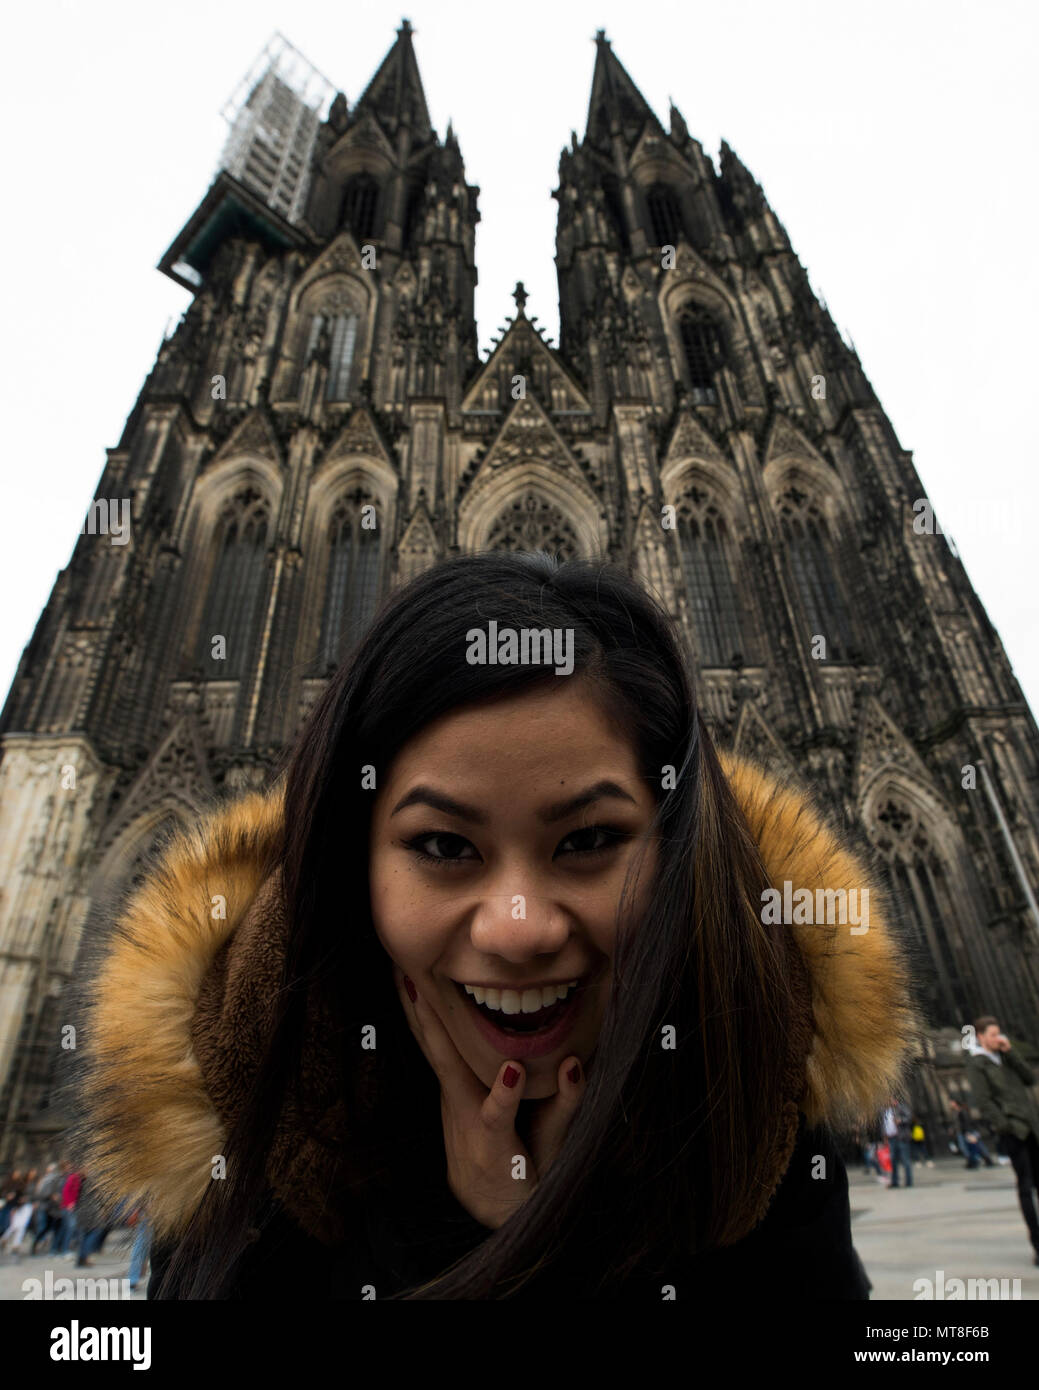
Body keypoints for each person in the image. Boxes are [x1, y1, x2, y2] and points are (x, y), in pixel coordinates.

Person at [74, 553, 916, 1299]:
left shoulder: (753, 1107)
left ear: (679, 847)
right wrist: (471, 1246)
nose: (519, 929)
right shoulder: (249, 1126)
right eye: (442, 845)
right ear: (348, 858)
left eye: (588, 840)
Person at [966, 1016, 1039, 1265]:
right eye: (993, 1034)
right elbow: (984, 1101)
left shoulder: (1006, 1057)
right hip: (1013, 1131)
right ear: (981, 1036)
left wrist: (1011, 1053)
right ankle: (1038, 1244)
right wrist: (1004, 1126)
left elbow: (1030, 1079)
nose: (999, 1038)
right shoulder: (977, 1064)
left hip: (1031, 1127)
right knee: (1026, 1185)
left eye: (1000, 1033)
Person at [949, 1098, 994, 1169]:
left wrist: (968, 1132)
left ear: (956, 1103)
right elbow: (957, 1123)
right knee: (965, 1147)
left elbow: (966, 1122)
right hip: (960, 1132)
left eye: (951, 1102)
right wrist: (953, 1129)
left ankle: (986, 1160)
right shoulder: (955, 1112)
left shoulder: (963, 1111)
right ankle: (971, 1161)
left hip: (967, 1131)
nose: (950, 1104)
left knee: (977, 1146)